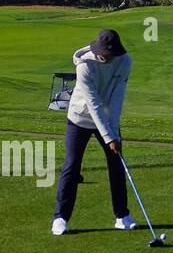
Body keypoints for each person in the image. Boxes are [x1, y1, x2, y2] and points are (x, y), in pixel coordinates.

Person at [51, 29, 135, 236]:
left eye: (109, 53)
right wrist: (109, 137)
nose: (105, 57)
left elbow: (117, 99)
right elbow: (93, 103)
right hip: (80, 118)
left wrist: (113, 133)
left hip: (107, 120)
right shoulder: (84, 65)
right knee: (72, 165)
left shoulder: (124, 62)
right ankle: (60, 219)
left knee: (116, 164)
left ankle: (122, 216)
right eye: (102, 53)